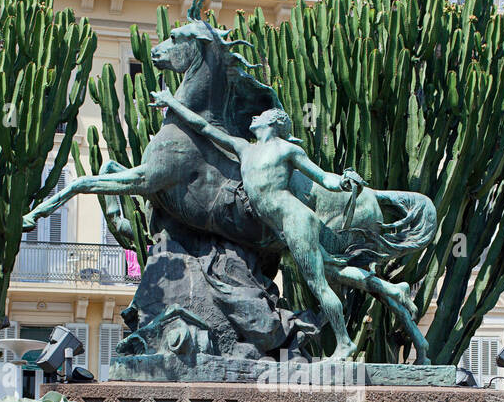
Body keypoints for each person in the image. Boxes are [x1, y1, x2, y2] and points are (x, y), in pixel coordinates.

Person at [151, 88, 364, 360]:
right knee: (331, 272)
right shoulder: (244, 148)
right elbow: (203, 126)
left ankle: (345, 343)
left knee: (319, 284)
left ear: (273, 123)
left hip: (294, 218)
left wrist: (344, 182)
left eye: (261, 115)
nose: (254, 117)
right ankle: (386, 291)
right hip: (275, 225)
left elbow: (324, 179)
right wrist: (171, 102)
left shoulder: (288, 149)